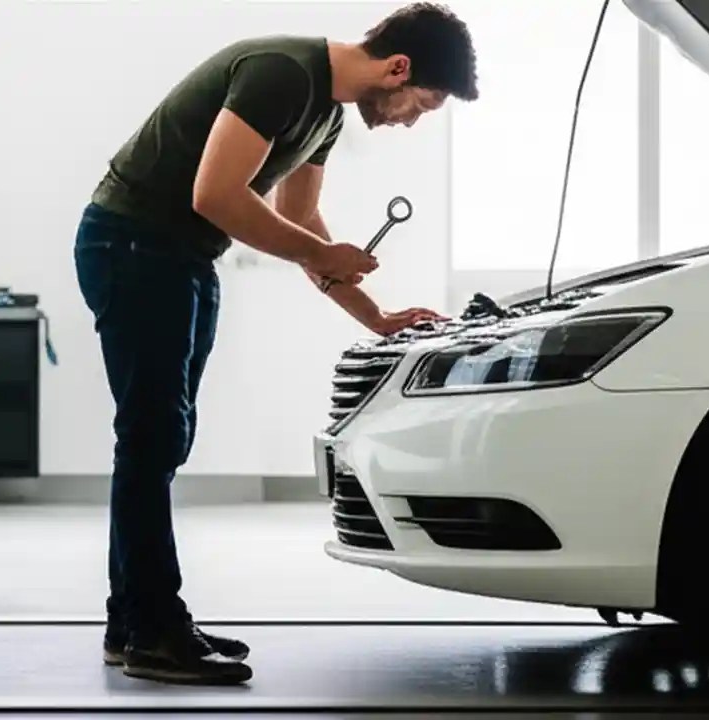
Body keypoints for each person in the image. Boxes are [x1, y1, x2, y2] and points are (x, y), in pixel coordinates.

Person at [72, 2, 479, 685]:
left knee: (160, 439)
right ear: (398, 67)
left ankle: (134, 621)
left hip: (180, 256)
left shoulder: (325, 112)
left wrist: (375, 316)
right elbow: (217, 195)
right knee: (150, 437)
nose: (412, 119)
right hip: (134, 244)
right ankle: (153, 628)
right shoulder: (282, 74)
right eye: (423, 103)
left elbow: (299, 222)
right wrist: (331, 253)